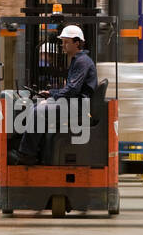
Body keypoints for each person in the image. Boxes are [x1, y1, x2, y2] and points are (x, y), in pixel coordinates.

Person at [9, 24, 97, 165]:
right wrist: (51, 93)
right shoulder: (77, 61)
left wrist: (53, 97)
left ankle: (27, 154)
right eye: (62, 42)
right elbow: (70, 89)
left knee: (39, 112)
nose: (62, 45)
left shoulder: (82, 62)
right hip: (73, 102)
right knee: (35, 107)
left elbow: (72, 90)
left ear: (77, 42)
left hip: (78, 106)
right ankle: (37, 150)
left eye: (66, 42)